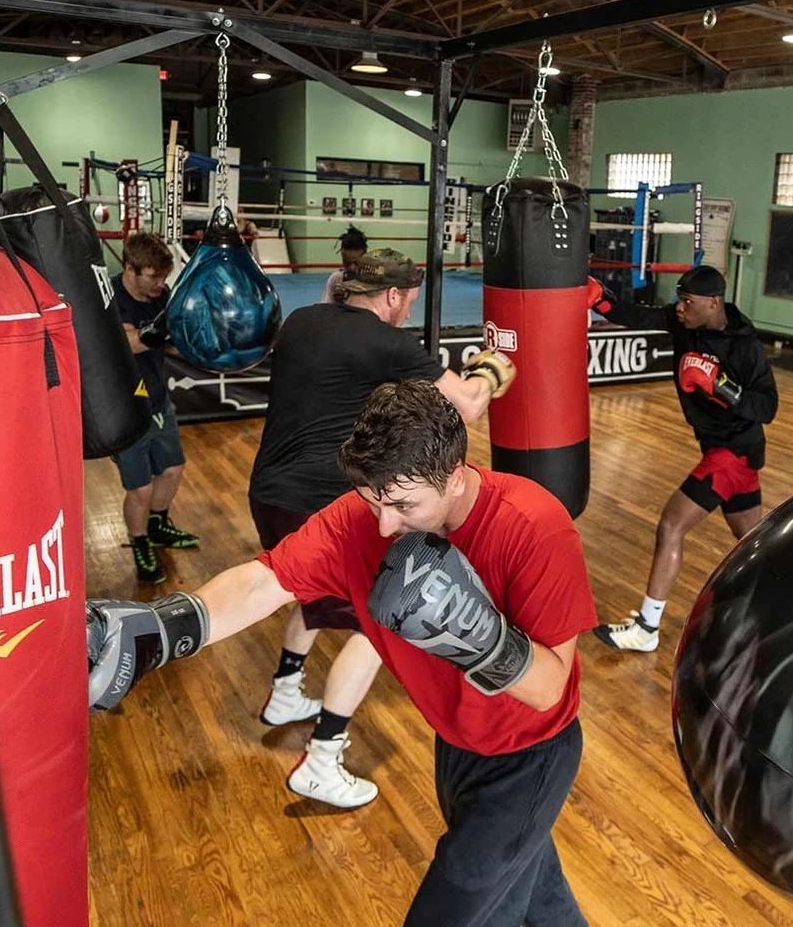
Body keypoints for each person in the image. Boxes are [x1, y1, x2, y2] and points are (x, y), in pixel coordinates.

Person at [88, 380, 597, 925]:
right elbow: (264, 583)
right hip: (455, 742)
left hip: (530, 757)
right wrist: (165, 628)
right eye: (375, 501)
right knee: (536, 890)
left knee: (457, 906)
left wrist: (477, 633)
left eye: (404, 505)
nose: (385, 525)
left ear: (453, 477)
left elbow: (547, 689)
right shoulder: (360, 521)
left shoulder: (532, 525)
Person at [247, 248, 517, 809]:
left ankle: (285, 693)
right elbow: (467, 404)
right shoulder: (386, 342)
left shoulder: (301, 322)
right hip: (328, 500)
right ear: (392, 297)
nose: (407, 313)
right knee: (380, 625)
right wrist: (490, 370)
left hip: (270, 494)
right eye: (408, 302)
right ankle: (323, 757)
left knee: (311, 589)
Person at [588, 265, 778, 651]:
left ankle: (646, 628)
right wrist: (600, 299)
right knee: (753, 542)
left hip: (733, 452)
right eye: (680, 300)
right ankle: (779, 609)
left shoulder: (744, 345)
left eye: (688, 302)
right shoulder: (685, 323)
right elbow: (637, 314)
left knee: (671, 525)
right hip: (724, 449)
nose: (680, 308)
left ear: (713, 303)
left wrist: (722, 387)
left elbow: (768, 406)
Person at [111, 231, 199, 584]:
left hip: (158, 398)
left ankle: (159, 524)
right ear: (130, 268)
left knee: (174, 468)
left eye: (164, 277)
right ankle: (140, 543)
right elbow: (129, 342)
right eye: (153, 277)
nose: (160, 285)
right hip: (125, 405)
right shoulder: (112, 297)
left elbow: (171, 343)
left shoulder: (161, 295)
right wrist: (160, 332)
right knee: (141, 488)